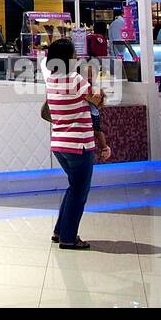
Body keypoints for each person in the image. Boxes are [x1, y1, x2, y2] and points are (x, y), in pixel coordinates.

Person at [44, 39, 104, 249]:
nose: (76, 56)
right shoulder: (75, 79)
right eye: (73, 53)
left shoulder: (51, 79)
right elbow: (98, 100)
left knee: (74, 188)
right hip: (79, 144)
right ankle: (68, 238)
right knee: (79, 192)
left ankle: (60, 231)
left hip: (59, 144)